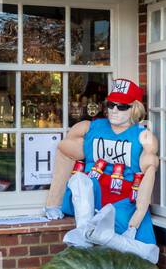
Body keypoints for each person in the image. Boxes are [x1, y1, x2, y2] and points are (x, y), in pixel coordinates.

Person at [43, 78, 158, 246]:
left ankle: (91, 236)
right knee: (81, 181)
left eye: (122, 106)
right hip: (89, 195)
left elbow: (150, 169)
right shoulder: (89, 127)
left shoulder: (142, 136)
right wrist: (53, 202)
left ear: (135, 108)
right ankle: (85, 231)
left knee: (138, 247)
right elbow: (65, 152)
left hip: (123, 198)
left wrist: (137, 219)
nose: (114, 110)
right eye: (111, 104)